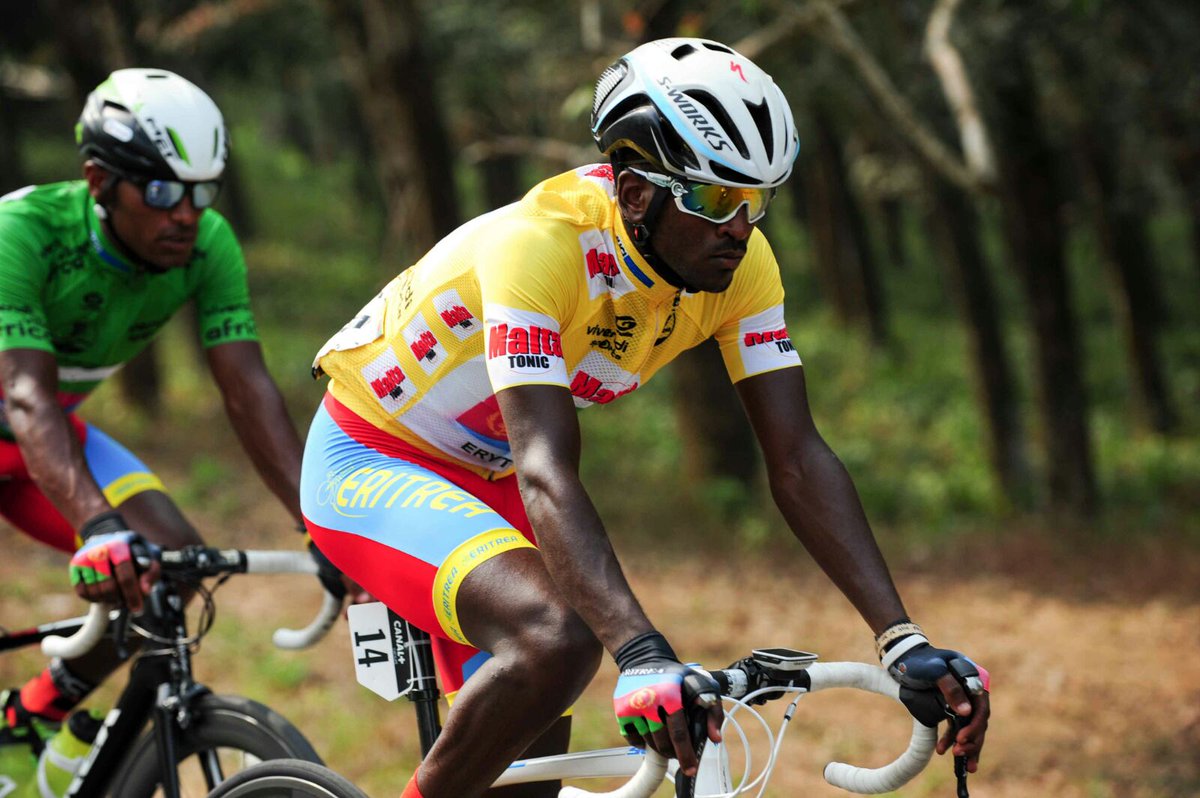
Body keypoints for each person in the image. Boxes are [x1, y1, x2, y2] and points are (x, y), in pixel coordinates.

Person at [301, 37, 990, 798]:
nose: (741, 228)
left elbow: (797, 457)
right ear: (635, 193)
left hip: (488, 476)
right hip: (374, 457)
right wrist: (641, 652)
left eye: (758, 202)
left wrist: (901, 640)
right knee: (558, 641)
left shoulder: (743, 268)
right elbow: (547, 466)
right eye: (718, 199)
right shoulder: (539, 248)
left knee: (525, 772)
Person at [0, 68, 344, 752]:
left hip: (35, 442)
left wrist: (326, 529)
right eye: (161, 192)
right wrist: (98, 524)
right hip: (28, 415)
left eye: (200, 192)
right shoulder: (23, 232)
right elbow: (24, 393)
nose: (185, 214)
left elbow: (247, 389)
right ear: (99, 181)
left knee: (170, 561)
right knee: (120, 546)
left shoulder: (206, 245)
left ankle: (29, 727)